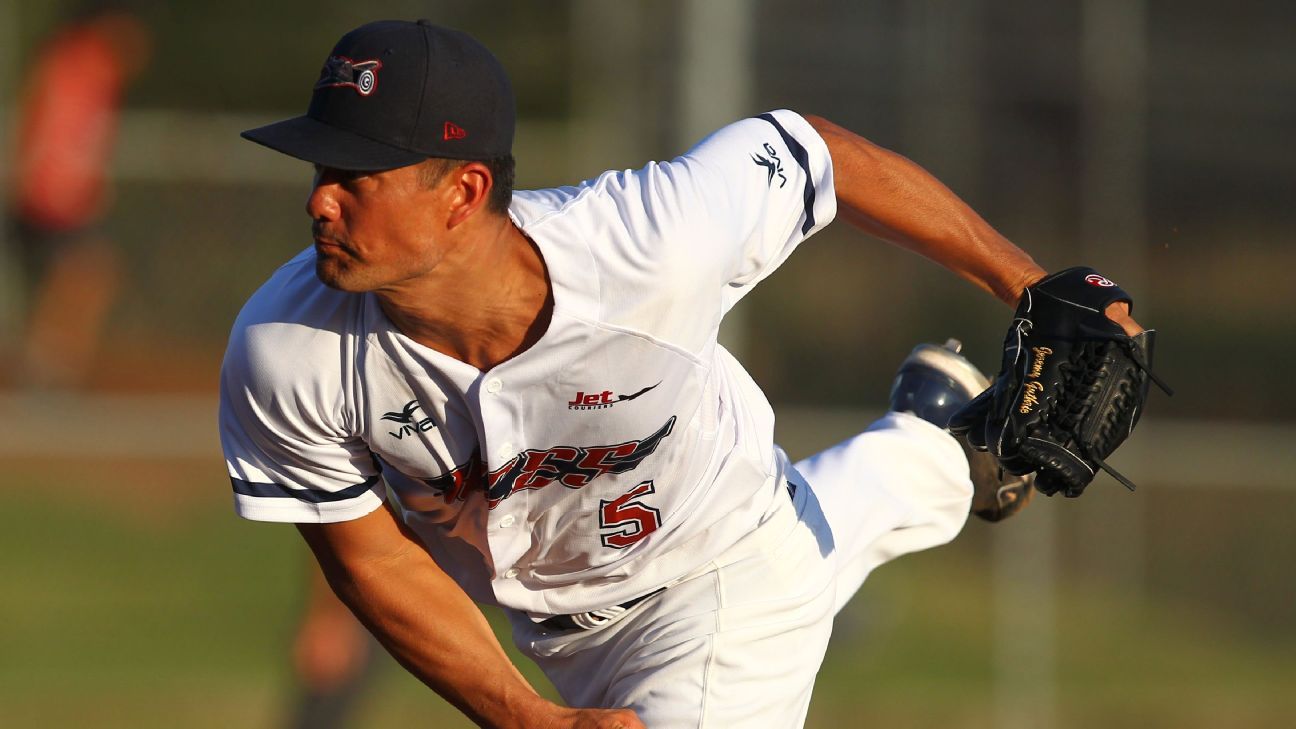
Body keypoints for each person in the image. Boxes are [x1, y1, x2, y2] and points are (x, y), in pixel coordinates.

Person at [221, 20, 1144, 728]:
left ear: (463, 191)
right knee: (824, 524)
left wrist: (1026, 284)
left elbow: (818, 152)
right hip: (577, 618)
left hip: (720, 580)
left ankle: (933, 456)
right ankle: (943, 447)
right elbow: (374, 559)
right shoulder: (287, 351)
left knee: (778, 569)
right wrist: (523, 712)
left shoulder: (647, 241)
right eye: (318, 166)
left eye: (359, 174)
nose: (319, 199)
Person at [5, 5, 151, 388]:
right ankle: (47, 368)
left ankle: (48, 364)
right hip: (56, 194)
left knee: (76, 277)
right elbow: (53, 131)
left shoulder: (90, 67)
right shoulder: (81, 63)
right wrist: (53, 185)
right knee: (86, 274)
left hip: (65, 192)